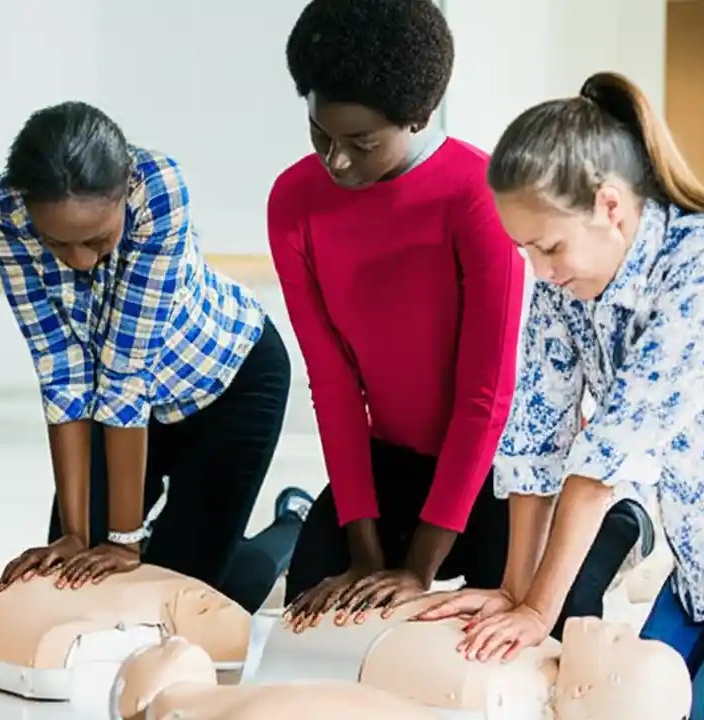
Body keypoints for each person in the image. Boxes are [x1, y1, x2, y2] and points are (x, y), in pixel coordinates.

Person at [273, 0, 655, 637]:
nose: (336, 161)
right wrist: (368, 558)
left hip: (499, 464)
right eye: (321, 134)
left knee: (541, 626)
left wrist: (418, 569)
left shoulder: (477, 194)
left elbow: (488, 394)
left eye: (361, 143)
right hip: (393, 457)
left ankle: (619, 527)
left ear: (420, 116)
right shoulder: (293, 199)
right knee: (316, 609)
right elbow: (333, 383)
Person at [415, 72, 704, 720]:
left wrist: (539, 611)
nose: (540, 269)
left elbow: (603, 457)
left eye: (549, 245)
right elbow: (537, 435)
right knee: (632, 699)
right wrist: (513, 589)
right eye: (524, 249)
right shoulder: (566, 284)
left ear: (610, 206)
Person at [0, 100, 301, 612]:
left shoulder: (159, 187)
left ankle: (292, 527)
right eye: (58, 243)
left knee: (185, 601)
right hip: (128, 410)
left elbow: (126, 371)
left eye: (97, 239)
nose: (80, 261)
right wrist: (74, 533)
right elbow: (58, 363)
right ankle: (162, 540)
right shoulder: (2, 209)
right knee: (74, 577)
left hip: (229, 384)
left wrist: (123, 540)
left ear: (125, 189)